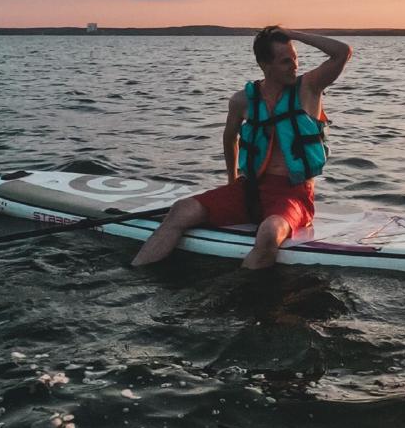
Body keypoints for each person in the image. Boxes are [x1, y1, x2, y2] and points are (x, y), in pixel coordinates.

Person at [131, 26, 352, 269]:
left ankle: (239, 297)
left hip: (293, 194)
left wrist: (294, 35)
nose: (295, 66)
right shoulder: (242, 101)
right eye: (286, 61)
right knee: (180, 210)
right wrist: (231, 180)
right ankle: (134, 273)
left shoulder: (309, 88)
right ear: (266, 66)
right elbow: (230, 138)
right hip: (250, 189)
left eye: (295, 59)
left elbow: (342, 52)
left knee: (268, 233)